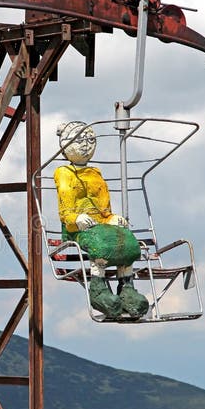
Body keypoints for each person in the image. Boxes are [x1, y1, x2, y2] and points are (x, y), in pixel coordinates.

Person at [54, 121, 149, 320]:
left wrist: (112, 218)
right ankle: (98, 290)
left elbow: (105, 208)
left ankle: (127, 288)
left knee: (127, 240)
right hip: (78, 227)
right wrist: (76, 218)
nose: (85, 145)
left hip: (101, 224)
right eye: (79, 140)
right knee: (101, 245)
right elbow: (65, 210)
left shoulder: (95, 173)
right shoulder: (64, 173)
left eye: (90, 140)